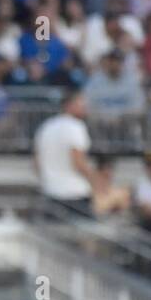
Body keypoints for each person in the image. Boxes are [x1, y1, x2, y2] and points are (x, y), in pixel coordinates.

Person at [32, 88, 96, 218]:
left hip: (51, 193)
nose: (85, 108)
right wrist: (96, 182)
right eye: (81, 104)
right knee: (85, 236)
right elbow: (78, 162)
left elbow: (37, 163)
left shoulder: (45, 127)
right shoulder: (76, 127)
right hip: (75, 194)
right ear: (69, 105)